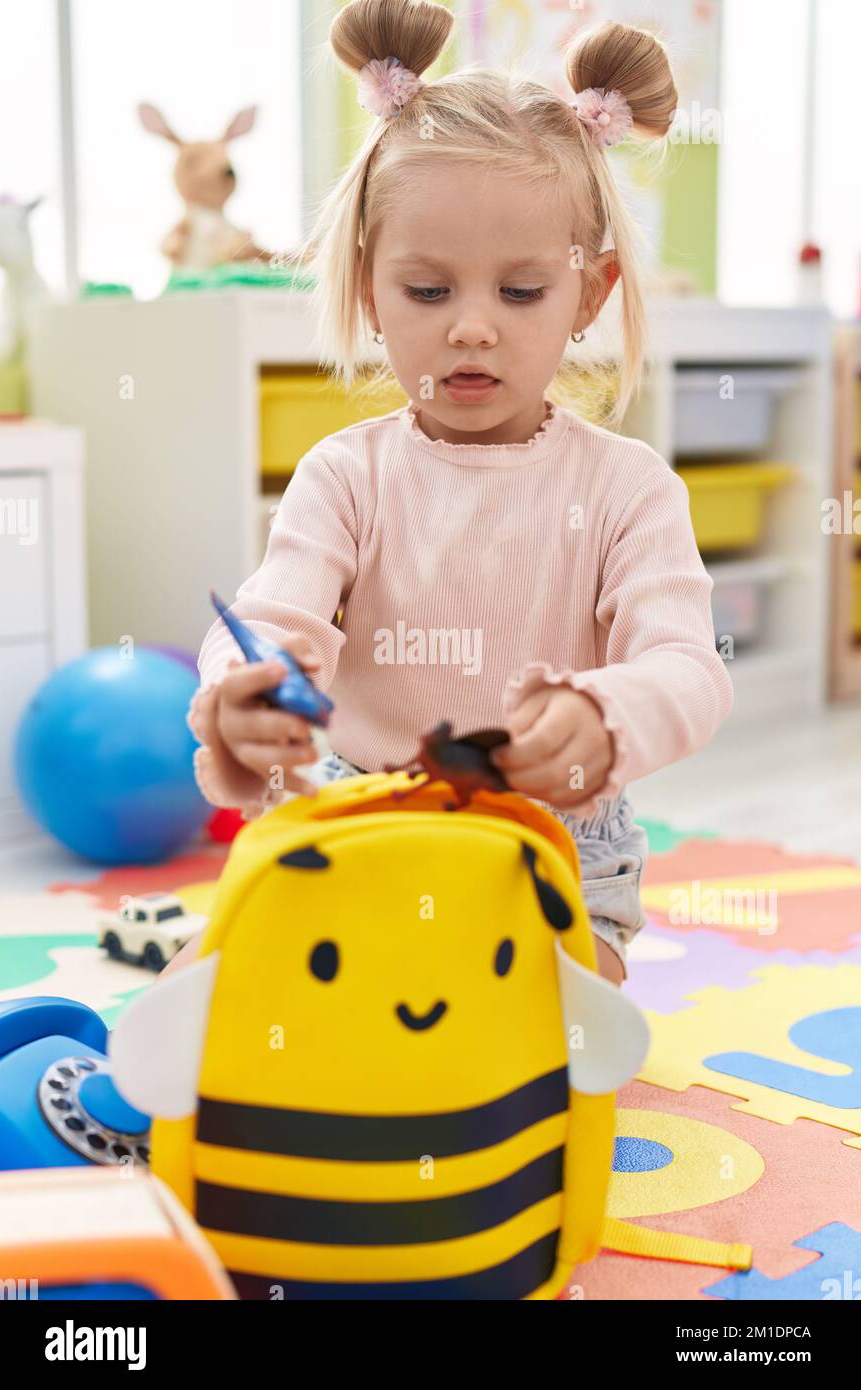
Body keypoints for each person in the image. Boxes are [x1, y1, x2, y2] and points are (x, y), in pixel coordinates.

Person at [181, 0, 732, 988]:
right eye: (426, 292)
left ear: (588, 294)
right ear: (366, 289)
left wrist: (603, 715)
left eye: (520, 293)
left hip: (555, 836)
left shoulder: (627, 488)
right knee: (209, 984)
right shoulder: (344, 476)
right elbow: (272, 617)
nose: (471, 329)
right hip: (357, 809)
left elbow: (686, 669)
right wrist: (241, 693)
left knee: (535, 1041)